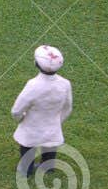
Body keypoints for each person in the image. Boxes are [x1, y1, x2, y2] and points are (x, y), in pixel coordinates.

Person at [12, 45, 71, 177]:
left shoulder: (33, 85)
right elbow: (67, 107)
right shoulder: (65, 84)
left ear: (36, 64)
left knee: (28, 146)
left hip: (31, 125)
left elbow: (17, 110)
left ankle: (26, 170)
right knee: (50, 145)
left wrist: (21, 119)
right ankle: (48, 167)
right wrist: (58, 121)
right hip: (52, 125)